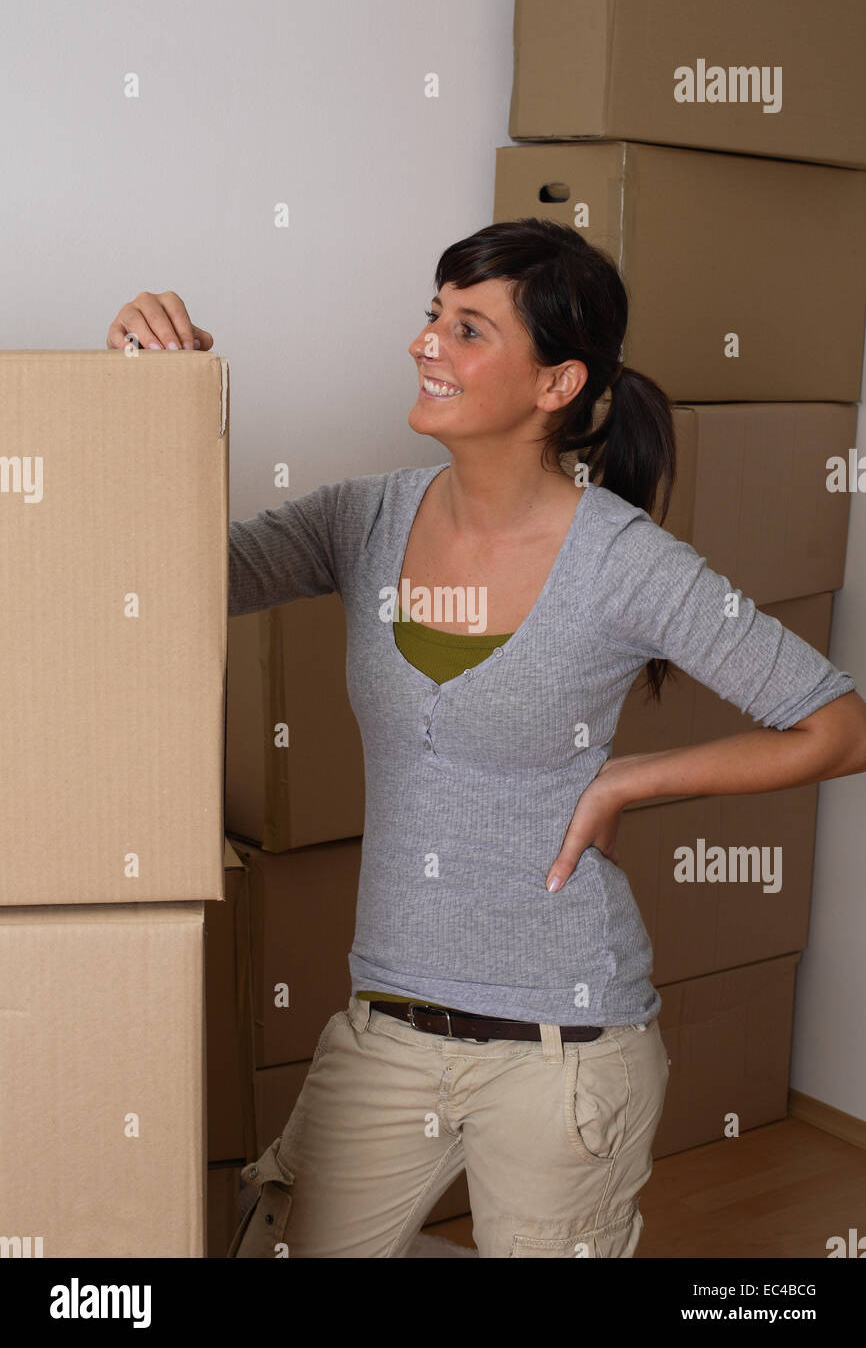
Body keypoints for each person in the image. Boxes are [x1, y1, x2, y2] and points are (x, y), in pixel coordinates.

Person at [106, 218, 866, 1259]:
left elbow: (836, 724)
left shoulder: (621, 560)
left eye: (467, 328)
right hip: (389, 1026)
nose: (426, 342)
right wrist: (161, 405)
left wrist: (629, 780)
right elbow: (182, 573)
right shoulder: (365, 520)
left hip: (565, 1049)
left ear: (556, 384)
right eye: (431, 315)